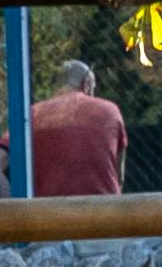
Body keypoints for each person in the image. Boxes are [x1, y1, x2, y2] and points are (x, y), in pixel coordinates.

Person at [31, 59, 128, 196]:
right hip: (104, 210)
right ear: (86, 84)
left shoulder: (33, 114)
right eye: (93, 88)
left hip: (49, 212)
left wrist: (17, 212)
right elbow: (119, 176)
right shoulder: (111, 111)